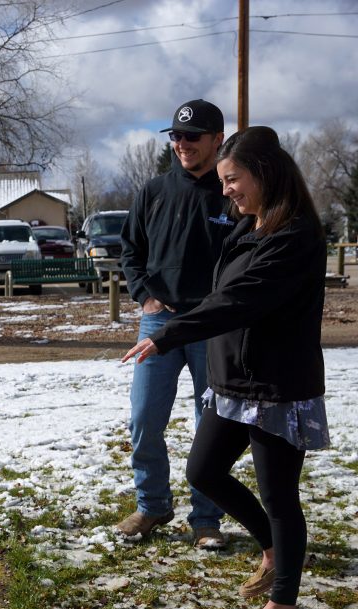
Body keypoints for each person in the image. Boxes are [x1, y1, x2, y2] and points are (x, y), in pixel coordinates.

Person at [122, 125, 328, 609]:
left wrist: (169, 334)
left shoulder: (295, 235)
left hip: (275, 385)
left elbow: (241, 300)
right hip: (233, 380)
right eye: (223, 181)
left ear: (266, 173)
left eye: (233, 179)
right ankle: (273, 550)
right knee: (204, 471)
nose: (227, 190)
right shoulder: (250, 225)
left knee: (280, 496)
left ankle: (283, 608)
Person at [117, 99, 236, 548]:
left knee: (212, 426)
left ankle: (206, 519)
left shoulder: (231, 193)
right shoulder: (153, 191)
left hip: (213, 329)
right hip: (159, 327)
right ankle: (152, 506)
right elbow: (131, 252)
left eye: (192, 136)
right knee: (145, 418)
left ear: (217, 139)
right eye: (176, 136)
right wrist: (145, 297)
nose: (182, 144)